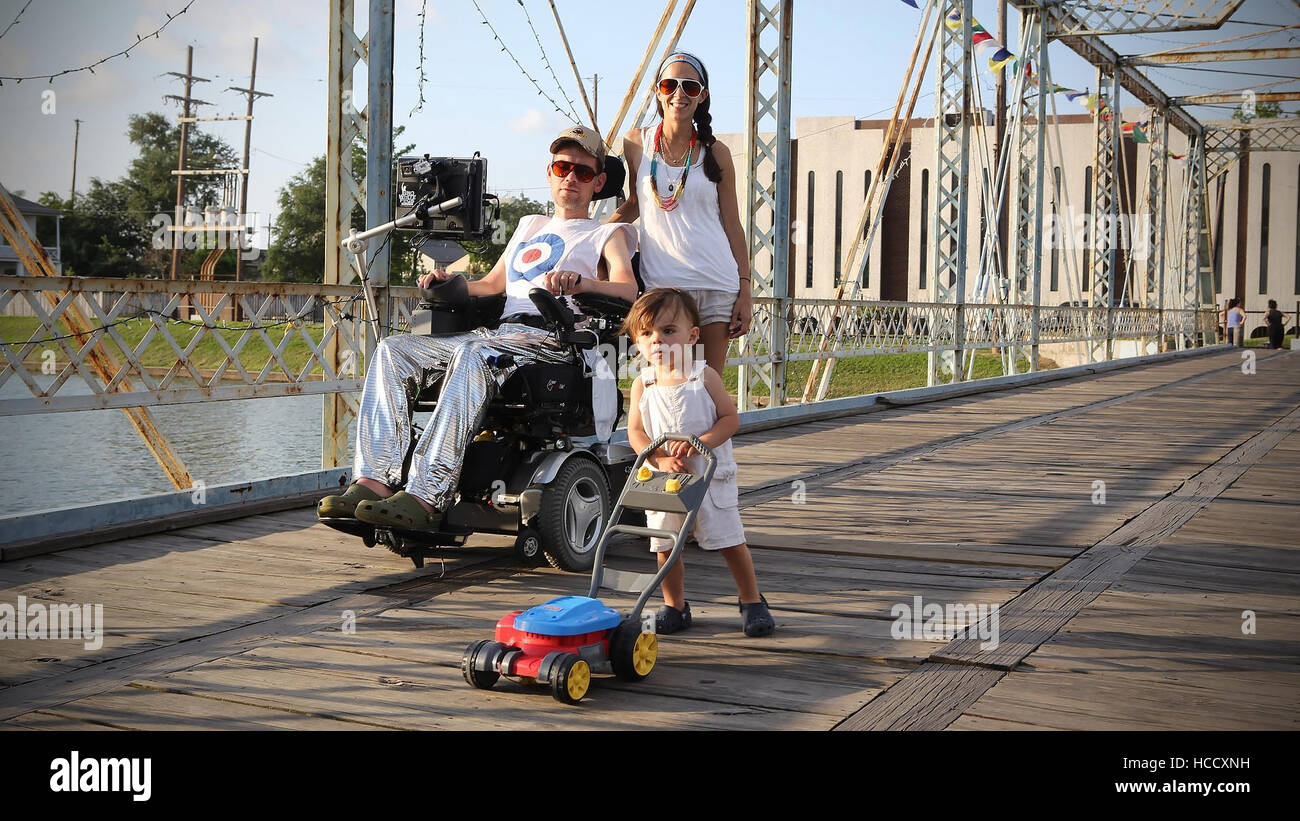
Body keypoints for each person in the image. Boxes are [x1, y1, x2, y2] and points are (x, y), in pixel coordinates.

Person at [317, 125, 638, 533]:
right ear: (550, 173)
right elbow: (491, 285)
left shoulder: (607, 234)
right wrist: (450, 285)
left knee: (474, 354)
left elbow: (628, 290)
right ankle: (374, 482)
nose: (571, 177)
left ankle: (425, 495)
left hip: (556, 337)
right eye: (562, 167)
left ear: (599, 182)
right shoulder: (529, 226)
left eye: (583, 171)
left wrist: (584, 283)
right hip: (501, 335)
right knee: (393, 351)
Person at [623, 288, 775, 638]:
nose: (657, 341)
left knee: (727, 538)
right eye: (647, 334)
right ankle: (674, 604)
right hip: (663, 480)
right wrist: (657, 458)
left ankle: (751, 600)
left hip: (709, 476)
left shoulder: (703, 377)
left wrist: (700, 444)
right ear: (636, 341)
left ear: (692, 336)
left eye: (668, 331)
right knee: (665, 543)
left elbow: (729, 419)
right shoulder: (643, 384)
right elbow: (635, 431)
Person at [609, 51, 751, 377]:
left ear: (703, 96)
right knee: (667, 384)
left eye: (689, 87)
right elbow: (635, 204)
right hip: (664, 288)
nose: (679, 94)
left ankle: (718, 432)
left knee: (708, 388)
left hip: (717, 285)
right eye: (669, 84)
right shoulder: (636, 143)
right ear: (658, 91)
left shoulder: (716, 152)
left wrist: (745, 292)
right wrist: (590, 237)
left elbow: (732, 224)